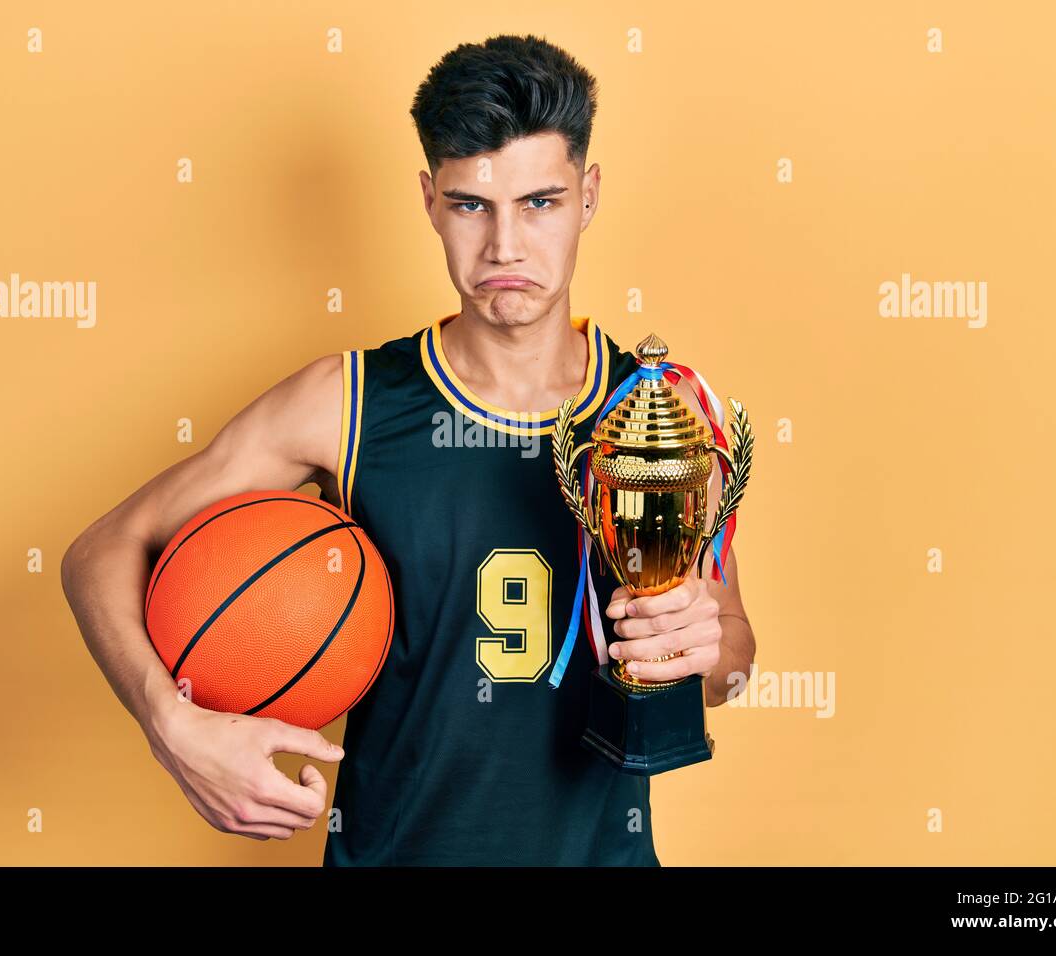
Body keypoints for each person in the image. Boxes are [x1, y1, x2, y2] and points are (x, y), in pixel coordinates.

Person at [61, 33, 755, 866]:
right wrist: (170, 725)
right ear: (429, 200)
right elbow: (100, 551)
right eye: (472, 205)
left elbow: (732, 661)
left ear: (589, 195)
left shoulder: (656, 412)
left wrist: (702, 645)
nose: (505, 247)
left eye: (540, 202)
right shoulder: (348, 404)